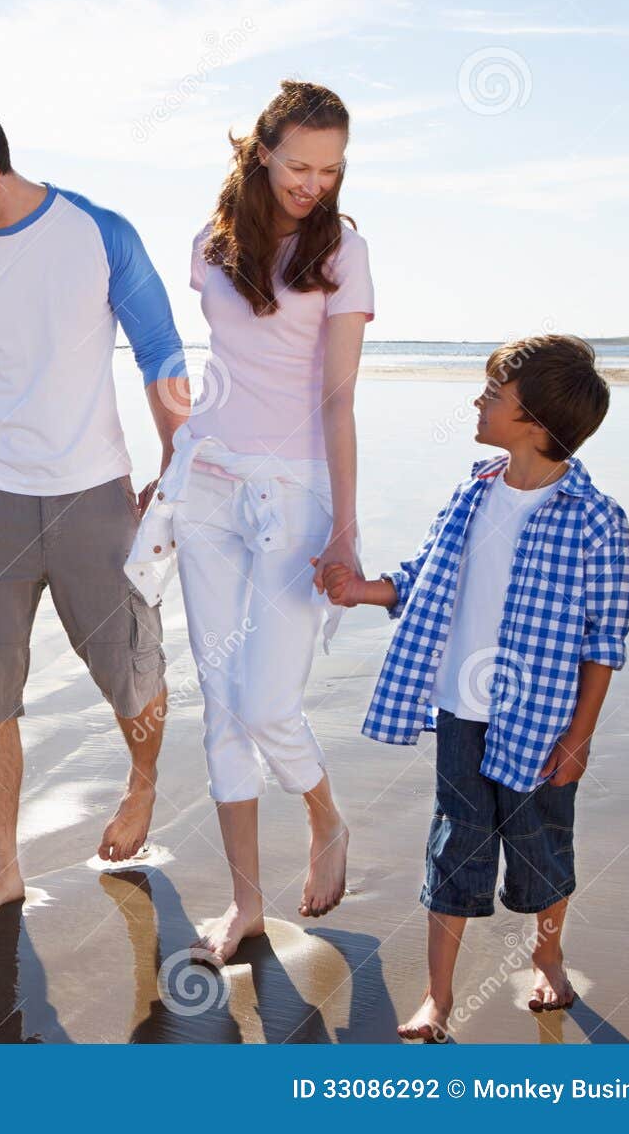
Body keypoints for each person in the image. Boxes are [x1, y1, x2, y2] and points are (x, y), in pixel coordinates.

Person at [0, 99, 189, 931]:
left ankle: (143, 781)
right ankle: (4, 870)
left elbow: (161, 349)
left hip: (96, 492)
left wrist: (176, 460)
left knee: (132, 667)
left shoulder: (100, 233)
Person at [319, 334, 629, 1041]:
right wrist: (362, 589)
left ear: (534, 419)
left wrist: (579, 738)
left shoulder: (596, 520)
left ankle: (547, 954)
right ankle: (438, 998)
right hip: (461, 712)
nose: (479, 400)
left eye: (494, 393)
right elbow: (424, 575)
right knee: (453, 846)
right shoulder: (472, 490)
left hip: (542, 721)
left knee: (542, 846)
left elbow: (603, 643)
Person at [125, 81, 372, 960]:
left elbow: (338, 397)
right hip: (208, 488)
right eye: (300, 164)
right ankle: (245, 905)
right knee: (222, 707)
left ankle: (325, 816)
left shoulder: (342, 247)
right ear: (261, 150)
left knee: (268, 701)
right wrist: (168, 466)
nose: (315, 182)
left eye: (332, 168)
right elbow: (208, 366)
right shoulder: (211, 246)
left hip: (295, 492)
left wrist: (344, 527)